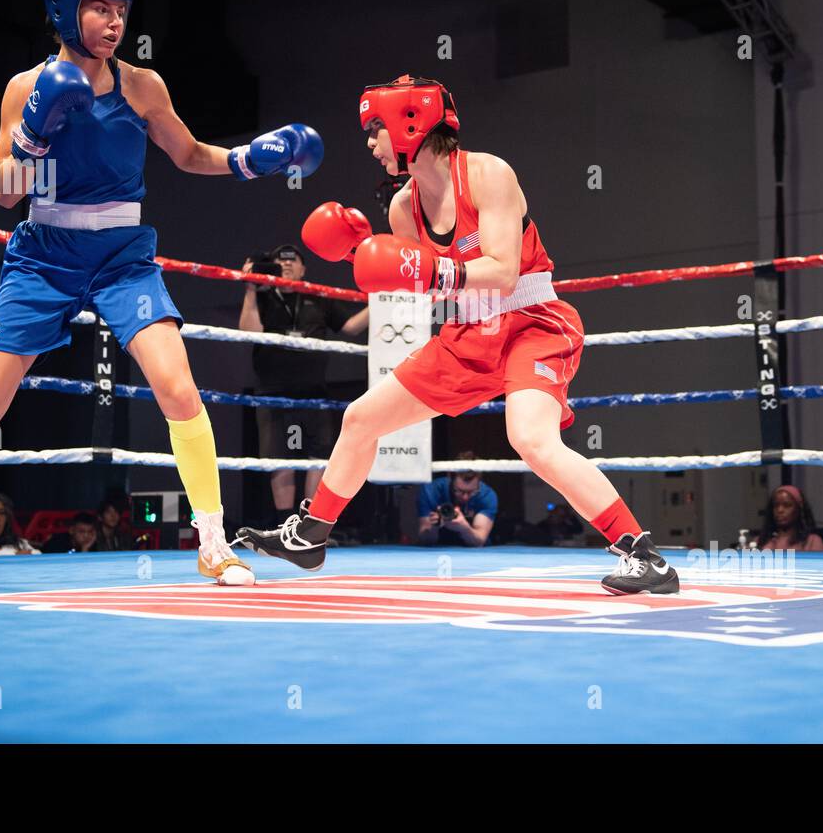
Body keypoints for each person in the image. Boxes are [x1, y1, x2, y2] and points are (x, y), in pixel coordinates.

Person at [0, 0, 322, 590]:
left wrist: (250, 160)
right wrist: (33, 130)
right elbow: (2, 192)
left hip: (122, 256)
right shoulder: (24, 85)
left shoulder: (142, 87)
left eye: (121, 12)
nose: (114, 23)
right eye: (100, 9)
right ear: (64, 11)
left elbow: (189, 154)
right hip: (43, 254)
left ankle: (214, 545)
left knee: (179, 389)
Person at [236, 75, 679, 594]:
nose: (370, 143)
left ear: (410, 123)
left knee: (531, 438)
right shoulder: (404, 207)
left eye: (376, 129)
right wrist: (363, 255)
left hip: (531, 321)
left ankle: (642, 554)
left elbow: (503, 271)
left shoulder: (488, 174)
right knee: (360, 419)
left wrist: (434, 273)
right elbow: (425, 286)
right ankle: (310, 536)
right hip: (467, 331)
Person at [239, 244, 368, 525]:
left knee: (318, 457)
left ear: (303, 268)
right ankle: (285, 524)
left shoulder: (318, 296)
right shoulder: (262, 296)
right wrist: (250, 289)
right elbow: (249, 333)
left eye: (292, 260)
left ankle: (309, 525)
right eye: (279, 261)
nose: (285, 264)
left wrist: (383, 301)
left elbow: (351, 327)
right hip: (273, 393)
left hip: (314, 392)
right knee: (279, 459)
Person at [416, 454, 497, 547]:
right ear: (450, 478)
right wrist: (435, 526)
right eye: (459, 491)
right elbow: (425, 541)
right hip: (438, 551)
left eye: (471, 492)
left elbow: (479, 542)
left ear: (479, 482)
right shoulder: (431, 491)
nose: (465, 497)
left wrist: (464, 528)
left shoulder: (487, 496)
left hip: (474, 553)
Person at [755, 484, 823, 551]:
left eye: (787, 505)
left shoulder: (812, 541)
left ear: (799, 509)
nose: (780, 510)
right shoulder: (761, 541)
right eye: (776, 505)